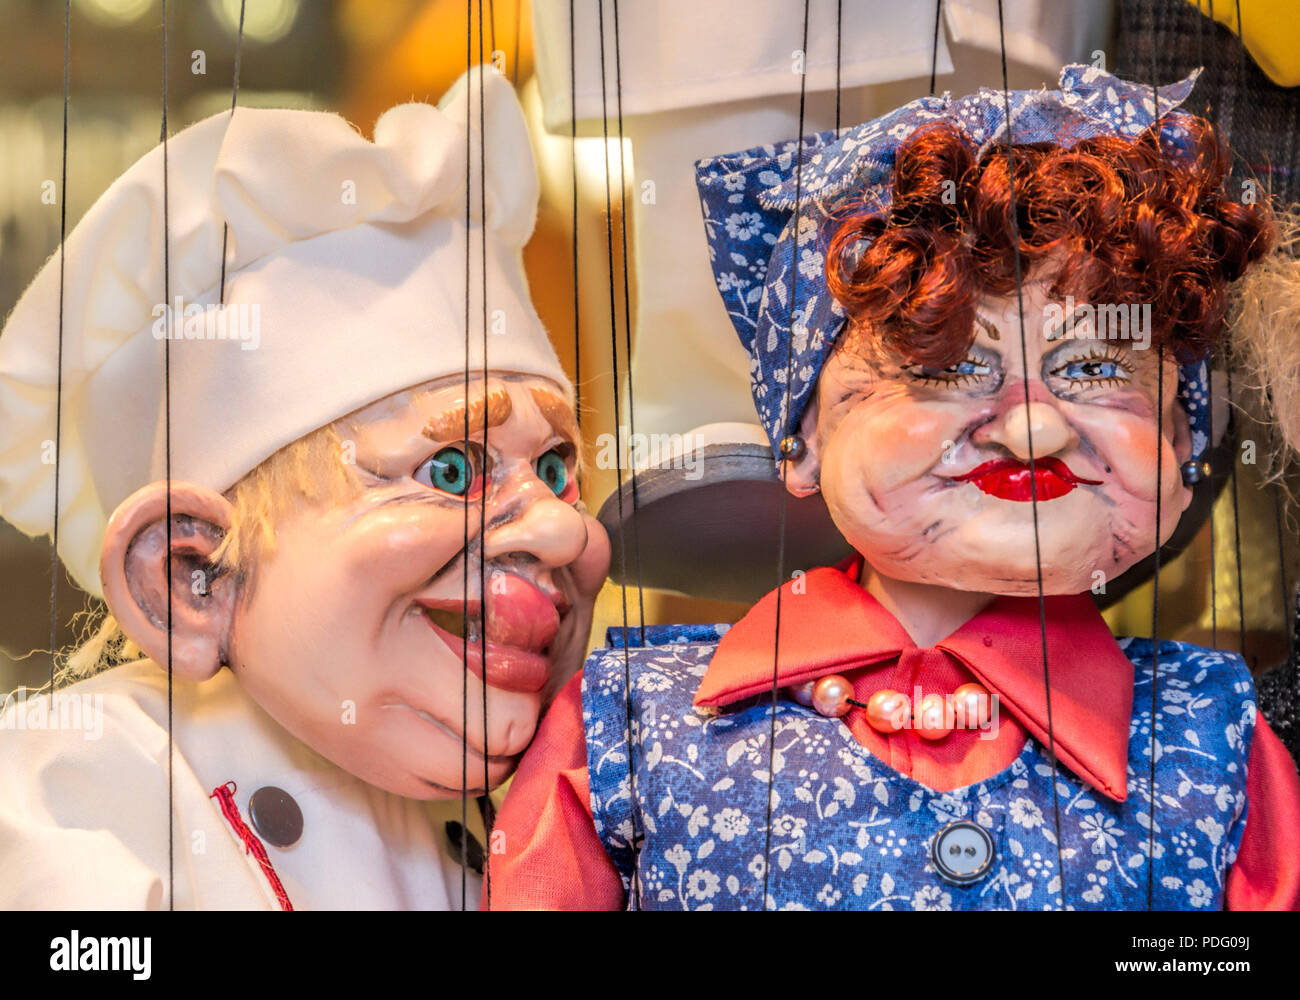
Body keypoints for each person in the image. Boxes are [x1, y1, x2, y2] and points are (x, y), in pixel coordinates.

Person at [488, 64, 1300, 910]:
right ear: (801, 437)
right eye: (945, 365)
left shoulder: (1215, 747)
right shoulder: (624, 730)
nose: (1032, 429)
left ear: (1175, 441)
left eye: (1096, 368)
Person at [0, 67, 609, 910]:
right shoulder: (77, 783)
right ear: (191, 578)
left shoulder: (563, 796)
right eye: (454, 470)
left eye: (555, 471)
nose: (562, 532)